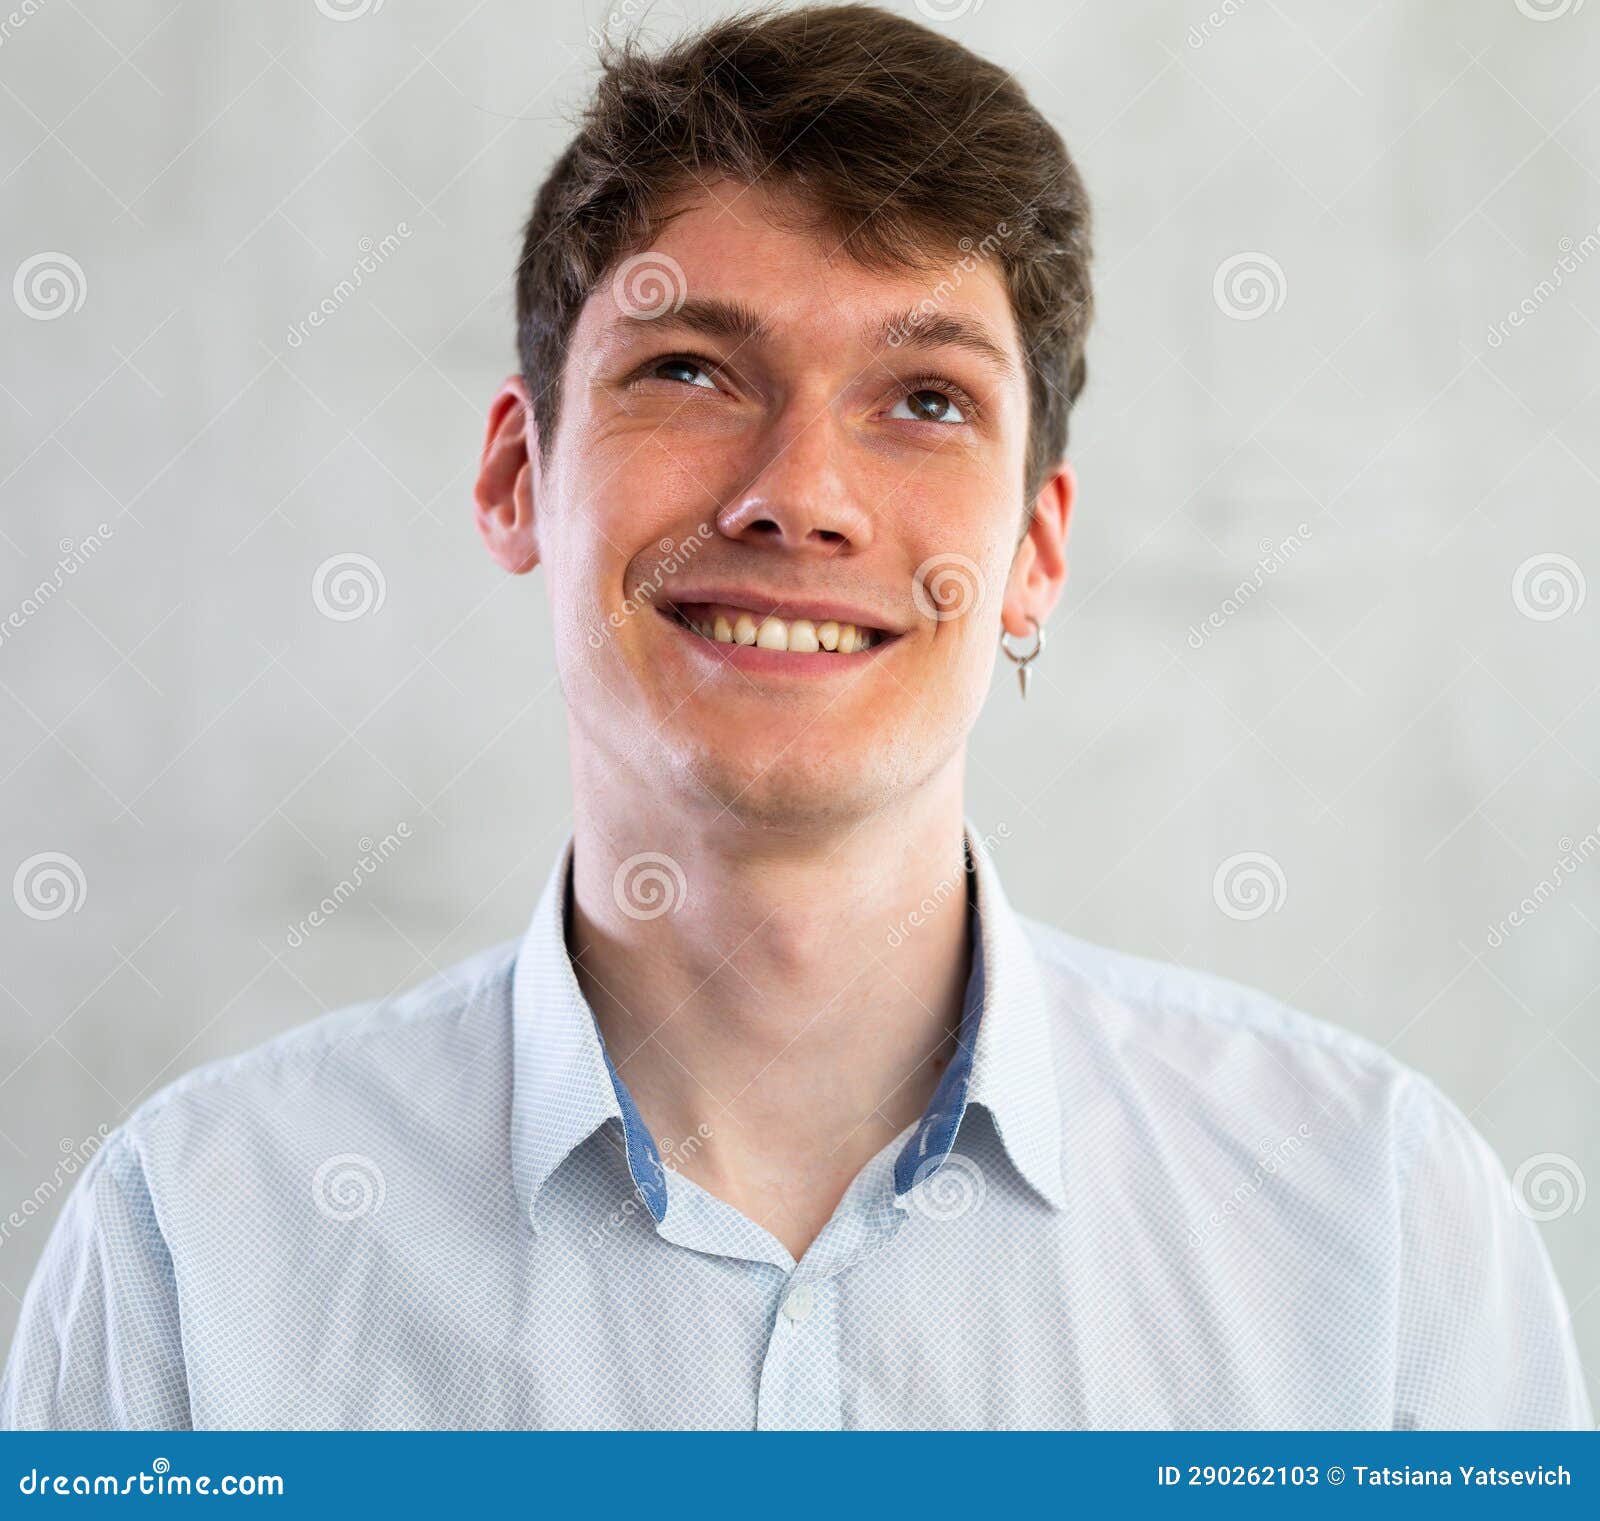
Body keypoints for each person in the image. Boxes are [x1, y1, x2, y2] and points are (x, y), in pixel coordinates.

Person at [2, 4, 1589, 1431]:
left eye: (925, 400)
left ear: (1035, 549)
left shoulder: (1379, 1228)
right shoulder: (193, 1251)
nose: (799, 497)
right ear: (514, 477)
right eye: (691, 370)